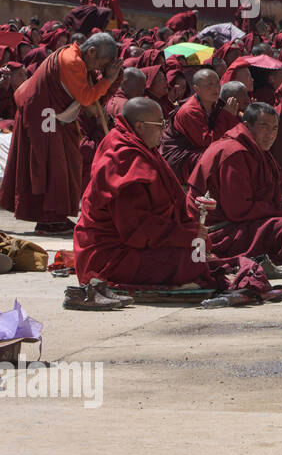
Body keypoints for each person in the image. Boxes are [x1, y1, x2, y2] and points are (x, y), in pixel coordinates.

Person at [72, 97, 211, 290]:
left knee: (198, 253)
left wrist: (189, 229)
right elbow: (137, 228)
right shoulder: (123, 158)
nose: (164, 131)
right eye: (160, 124)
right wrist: (185, 234)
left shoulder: (139, 145)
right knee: (193, 262)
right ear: (139, 127)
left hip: (133, 243)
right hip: (109, 257)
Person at [1, 31, 122, 234]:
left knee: (67, 161)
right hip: (41, 114)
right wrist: (108, 80)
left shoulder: (79, 61)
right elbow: (85, 98)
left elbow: (93, 105)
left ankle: (55, 216)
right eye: (101, 62)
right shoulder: (71, 61)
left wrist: (109, 80)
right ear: (91, 51)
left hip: (54, 115)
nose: (100, 68)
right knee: (51, 164)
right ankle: (49, 219)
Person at [188, 102, 282, 273]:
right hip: (217, 230)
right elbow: (238, 210)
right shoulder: (234, 153)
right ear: (247, 125)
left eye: (275, 129)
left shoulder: (254, 148)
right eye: (264, 127)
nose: (270, 134)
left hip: (241, 221)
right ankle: (269, 259)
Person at [159, 68, 240, 180]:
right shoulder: (189, 111)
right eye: (209, 84)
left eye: (217, 83)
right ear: (196, 88)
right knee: (222, 156)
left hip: (199, 150)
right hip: (181, 158)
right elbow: (207, 141)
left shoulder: (216, 104)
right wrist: (227, 115)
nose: (215, 88)